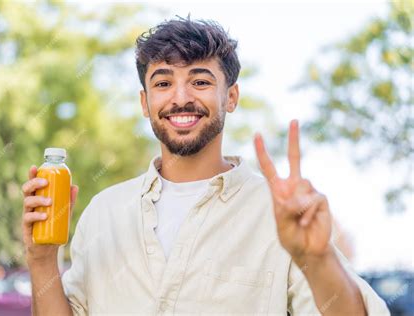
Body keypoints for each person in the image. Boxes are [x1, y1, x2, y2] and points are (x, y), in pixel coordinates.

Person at [21, 17, 389, 315]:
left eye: (199, 81)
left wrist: (318, 258)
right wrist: (41, 261)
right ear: (145, 102)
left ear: (231, 96)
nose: (180, 98)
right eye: (163, 82)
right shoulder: (103, 213)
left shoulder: (277, 213)